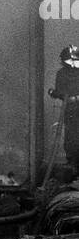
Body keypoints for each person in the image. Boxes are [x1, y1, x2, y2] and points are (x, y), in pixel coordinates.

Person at [49, 44, 79, 174]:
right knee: (71, 136)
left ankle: (73, 163)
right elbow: (59, 92)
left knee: (72, 135)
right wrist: (55, 93)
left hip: (72, 108)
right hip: (70, 110)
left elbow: (58, 93)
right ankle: (73, 164)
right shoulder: (61, 74)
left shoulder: (61, 73)